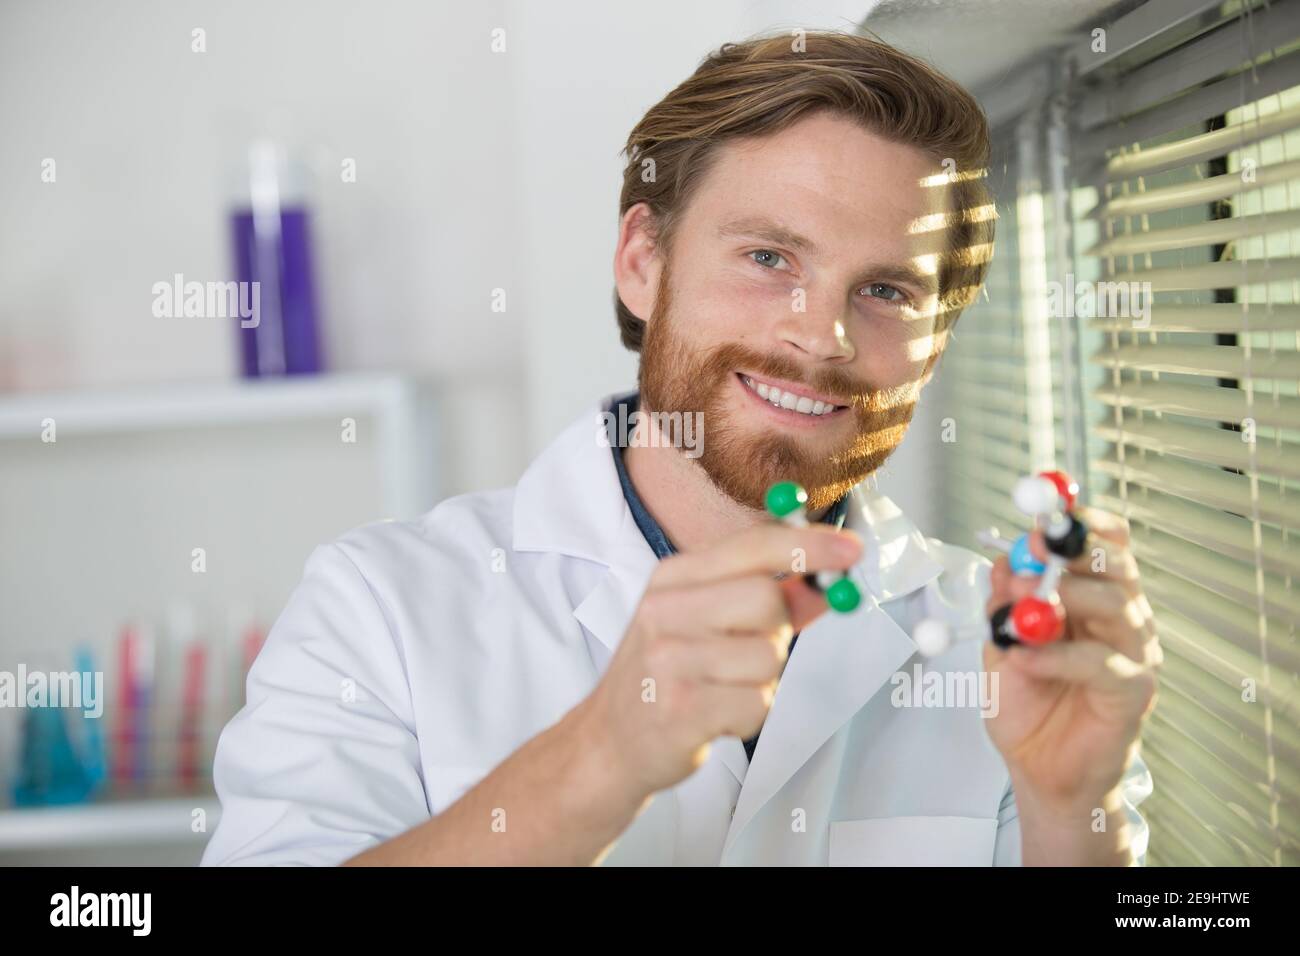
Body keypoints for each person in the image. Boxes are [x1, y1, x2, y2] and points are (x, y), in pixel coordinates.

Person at [201, 31, 1158, 867]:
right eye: (769, 258)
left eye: (886, 292)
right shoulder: (380, 611)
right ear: (641, 264)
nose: (818, 335)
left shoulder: (1012, 655)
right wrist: (604, 753)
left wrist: (1075, 812)